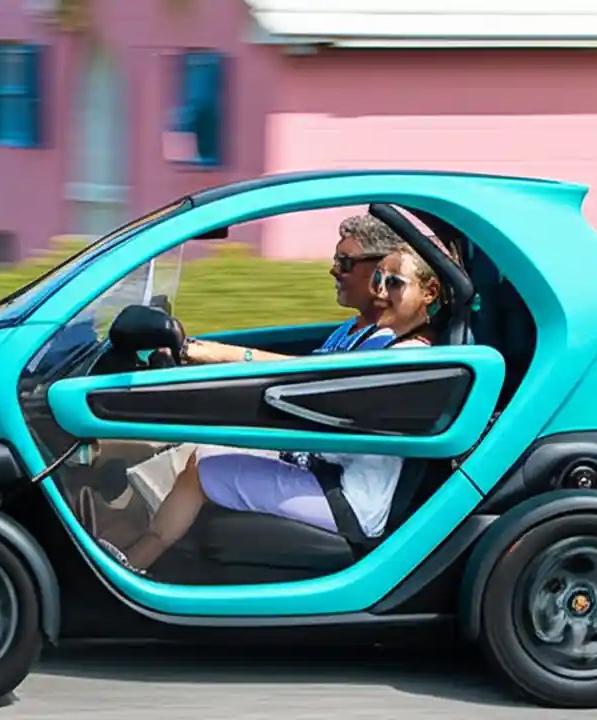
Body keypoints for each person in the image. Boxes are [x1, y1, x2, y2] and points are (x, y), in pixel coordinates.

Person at [98, 244, 449, 575]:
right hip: (326, 470)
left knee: (203, 469)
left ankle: (134, 566)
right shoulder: (384, 342)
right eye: (378, 279)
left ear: (430, 292)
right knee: (200, 456)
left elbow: (322, 406)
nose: (379, 291)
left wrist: (220, 360)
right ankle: (136, 551)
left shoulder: (406, 358)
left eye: (394, 283)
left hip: (348, 498)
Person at [179, 214, 407, 364]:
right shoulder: (353, 326)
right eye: (335, 260)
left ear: (383, 267)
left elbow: (319, 380)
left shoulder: (387, 342)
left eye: (345, 262)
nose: (334, 271)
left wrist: (226, 355)